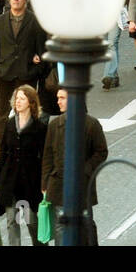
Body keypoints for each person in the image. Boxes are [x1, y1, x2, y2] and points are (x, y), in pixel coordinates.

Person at [41, 87, 108, 244]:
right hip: (59, 185)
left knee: (85, 223)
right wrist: (45, 182)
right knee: (60, 225)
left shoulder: (91, 124)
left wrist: (85, 169)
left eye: (62, 98)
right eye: (58, 98)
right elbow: (48, 155)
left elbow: (101, 152)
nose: (58, 101)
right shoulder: (54, 125)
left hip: (82, 185)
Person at [0, 0, 47, 150]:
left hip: (26, 74)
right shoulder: (0, 21)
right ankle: (0, 148)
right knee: (2, 112)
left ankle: (27, 146)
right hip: (4, 73)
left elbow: (42, 49)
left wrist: (36, 69)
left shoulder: (34, 21)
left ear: (25, 0)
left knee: (27, 111)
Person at [0, 84, 49, 246]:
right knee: (12, 222)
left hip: (29, 183)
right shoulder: (10, 124)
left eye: (22, 99)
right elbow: (3, 152)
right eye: (16, 98)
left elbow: (44, 157)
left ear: (31, 103)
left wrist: (44, 183)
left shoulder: (39, 128)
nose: (17, 101)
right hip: (10, 182)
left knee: (31, 221)